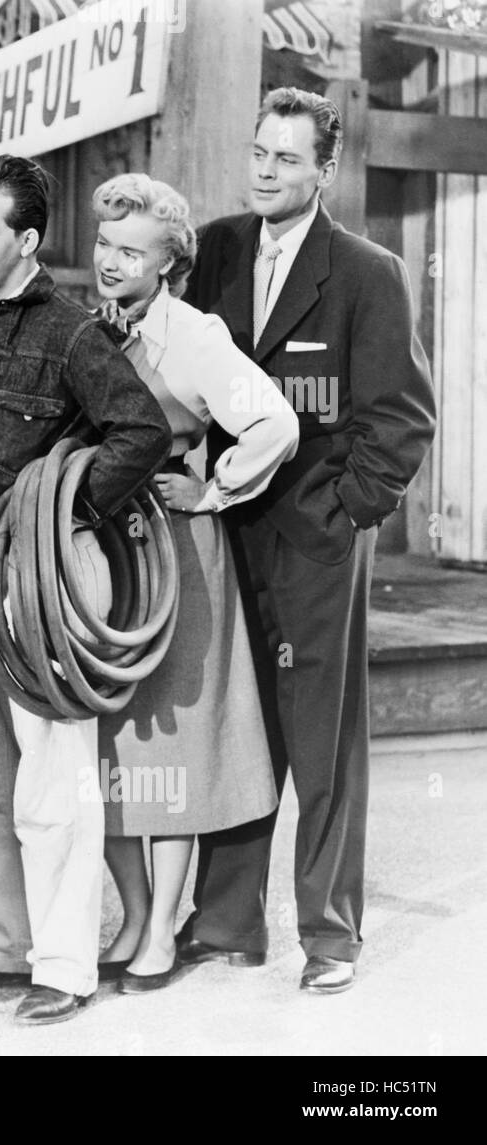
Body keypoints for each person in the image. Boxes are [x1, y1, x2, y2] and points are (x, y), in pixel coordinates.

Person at [179, 87, 436, 994]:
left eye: (286, 159)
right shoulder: (211, 250)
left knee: (323, 742)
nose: (264, 171)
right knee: (233, 726)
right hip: (224, 531)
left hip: (318, 540)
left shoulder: (368, 272)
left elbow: (402, 421)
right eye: (257, 152)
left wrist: (344, 515)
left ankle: (331, 936)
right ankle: (225, 923)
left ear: (325, 171)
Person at [0, 154, 171, 1025]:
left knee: (56, 772)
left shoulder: (71, 331)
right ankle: (6, 947)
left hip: (40, 580)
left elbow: (140, 431)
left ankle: (65, 966)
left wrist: (67, 516)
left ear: (27, 240)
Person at [88, 173, 298, 992]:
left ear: (169, 262)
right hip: (98, 552)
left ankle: (165, 932)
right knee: (103, 743)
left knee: (169, 746)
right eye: (105, 242)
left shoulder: (197, 335)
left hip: (174, 550)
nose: (110, 260)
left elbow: (274, 420)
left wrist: (212, 488)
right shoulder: (88, 326)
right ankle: (137, 915)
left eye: (130, 250)